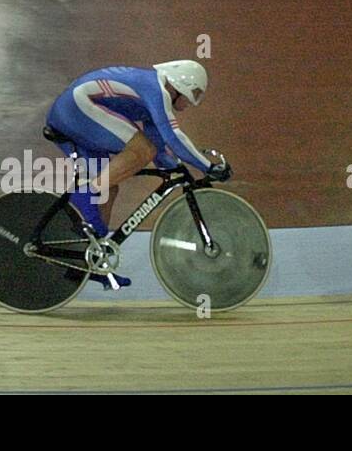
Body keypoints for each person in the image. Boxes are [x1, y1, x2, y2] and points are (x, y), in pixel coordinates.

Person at [45, 60, 231, 290]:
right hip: (77, 108)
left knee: (109, 187)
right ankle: (84, 195)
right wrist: (208, 167)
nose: (191, 103)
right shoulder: (156, 89)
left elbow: (161, 149)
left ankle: (90, 260)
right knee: (142, 150)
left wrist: (177, 168)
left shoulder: (155, 98)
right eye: (192, 95)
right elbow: (174, 138)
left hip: (74, 112)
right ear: (180, 85)